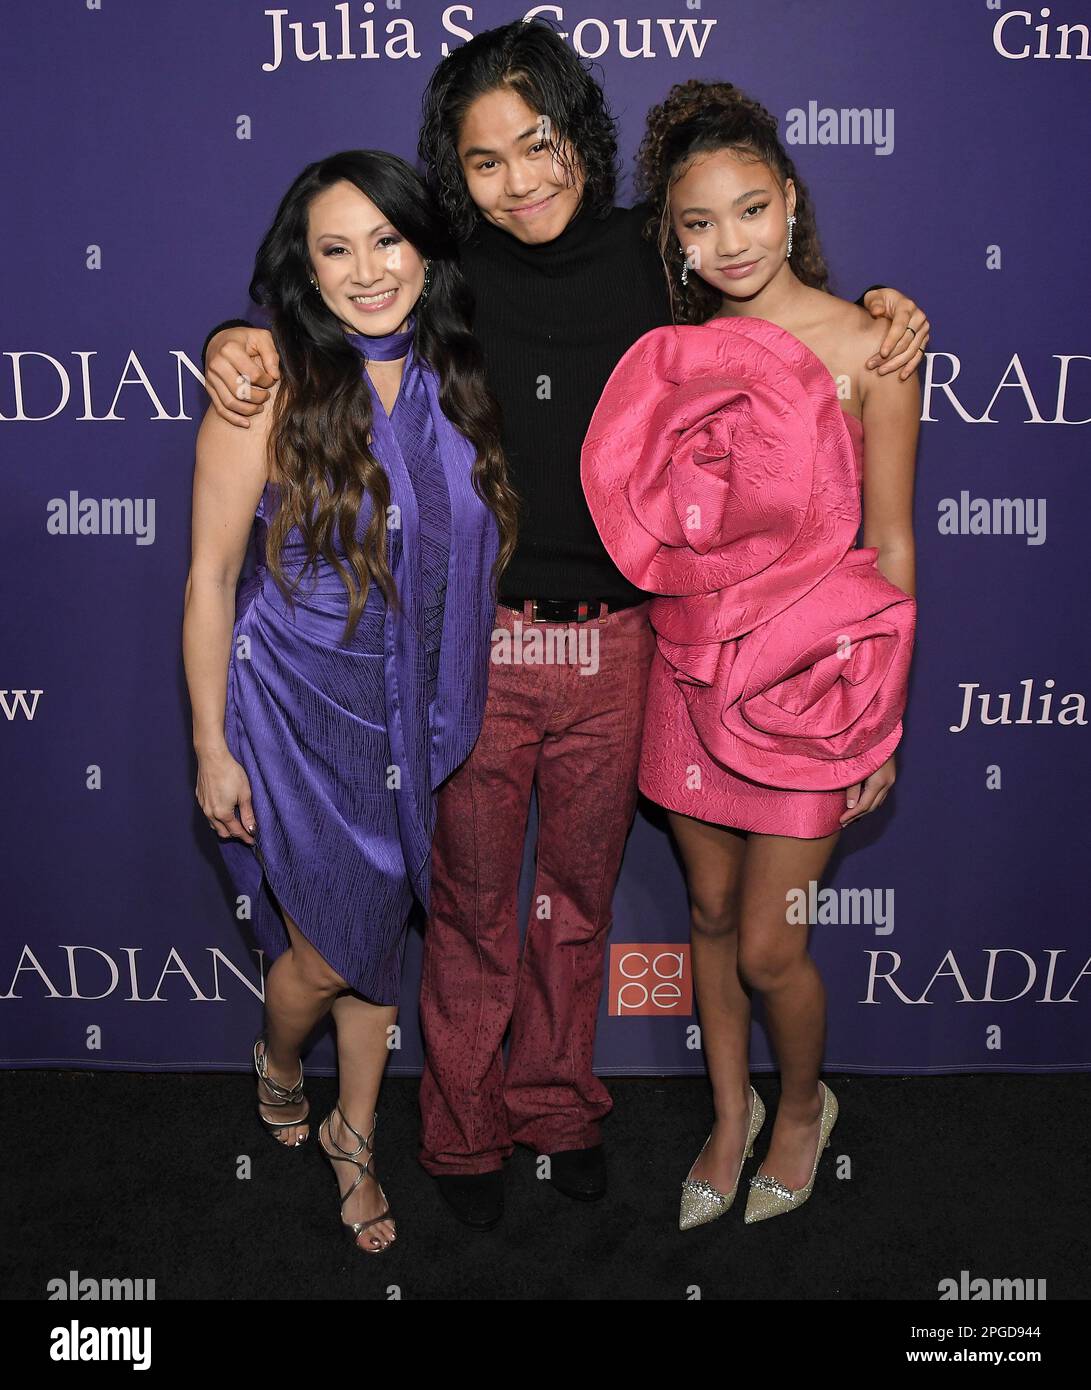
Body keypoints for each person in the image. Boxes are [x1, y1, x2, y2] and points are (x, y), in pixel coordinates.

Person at [198, 18, 929, 1232]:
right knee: (476, 904)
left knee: (576, 902)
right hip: (479, 640)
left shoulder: (662, 258)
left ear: (577, 139)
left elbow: (783, 316)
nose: (520, 178)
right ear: (455, 174)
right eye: (485, 162)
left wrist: (884, 309)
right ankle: (462, 1123)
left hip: (626, 641)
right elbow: (333, 310)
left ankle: (555, 1104)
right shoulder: (443, 269)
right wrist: (242, 340)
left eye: (538, 144)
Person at [580, 79, 918, 1227]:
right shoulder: (670, 355)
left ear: (788, 203)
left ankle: (803, 1106)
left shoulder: (875, 343)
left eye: (749, 209)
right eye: (696, 221)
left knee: (773, 949)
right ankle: (728, 1115)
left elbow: (891, 537)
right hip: (685, 665)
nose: (728, 241)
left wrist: (881, 712)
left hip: (814, 688)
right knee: (710, 917)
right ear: (672, 239)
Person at [182, 149, 516, 1254]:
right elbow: (208, 576)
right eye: (337, 247)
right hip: (293, 710)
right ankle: (280, 1058)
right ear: (304, 266)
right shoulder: (266, 379)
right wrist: (208, 746)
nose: (368, 269)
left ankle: (353, 1133)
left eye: (388, 239)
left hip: (412, 712)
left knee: (378, 931)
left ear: (424, 247)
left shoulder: (457, 367)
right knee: (328, 952)